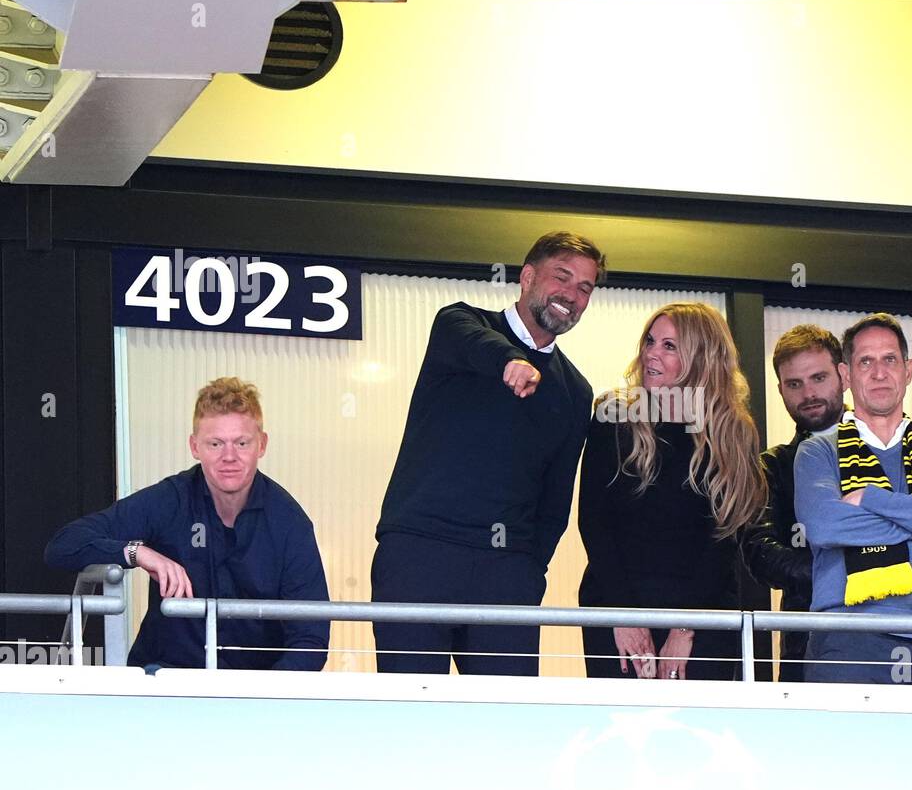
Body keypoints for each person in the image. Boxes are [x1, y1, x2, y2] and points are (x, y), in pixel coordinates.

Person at [371, 231, 602, 676]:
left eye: (584, 288)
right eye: (562, 277)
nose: (571, 296)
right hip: (419, 555)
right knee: (409, 717)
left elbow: (556, 497)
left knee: (505, 722)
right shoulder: (458, 324)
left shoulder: (576, 391)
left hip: (507, 572)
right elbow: (477, 343)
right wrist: (510, 361)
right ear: (528, 276)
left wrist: (530, 571)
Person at [45, 377, 330, 671]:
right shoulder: (171, 500)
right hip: (168, 682)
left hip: (256, 690)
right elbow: (63, 545)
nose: (229, 456)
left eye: (242, 443)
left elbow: (311, 639)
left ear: (262, 445)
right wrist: (138, 552)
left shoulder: (289, 522)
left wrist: (262, 699)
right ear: (195, 446)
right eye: (215, 443)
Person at [579, 303, 766, 681]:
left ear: (701, 358)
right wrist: (625, 617)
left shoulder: (734, 432)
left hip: (703, 612)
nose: (651, 353)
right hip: (616, 605)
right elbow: (594, 522)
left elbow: (724, 538)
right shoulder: (612, 416)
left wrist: (685, 629)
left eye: (669, 346)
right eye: (650, 341)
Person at [794, 313, 912, 685]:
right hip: (845, 637)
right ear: (846, 375)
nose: (879, 372)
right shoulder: (818, 453)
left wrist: (870, 499)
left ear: (908, 370)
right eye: (866, 361)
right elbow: (824, 525)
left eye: (889, 359)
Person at [740, 324, 846, 682]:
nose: (809, 394)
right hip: (805, 645)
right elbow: (761, 553)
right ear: (780, 389)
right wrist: (854, 573)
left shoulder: (892, 450)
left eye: (819, 377)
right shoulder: (772, 466)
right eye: (794, 384)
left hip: (894, 638)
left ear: (843, 374)